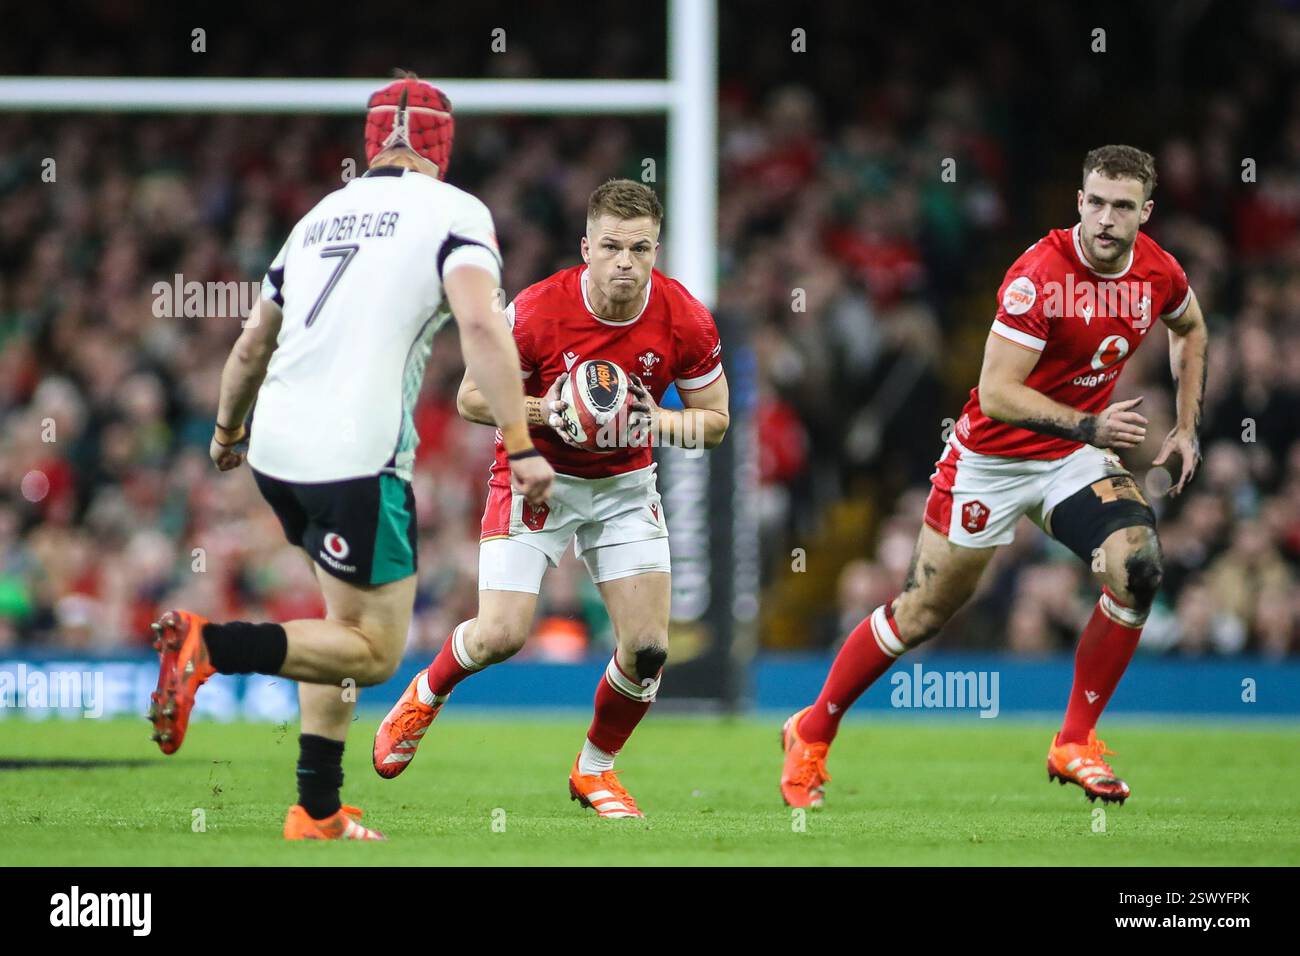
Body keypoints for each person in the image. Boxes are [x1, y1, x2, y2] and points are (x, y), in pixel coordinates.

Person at [146, 73, 553, 840]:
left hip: (276, 448)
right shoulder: (456, 212)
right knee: (372, 652)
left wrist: (228, 432)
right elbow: (481, 327)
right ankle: (210, 647)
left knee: (339, 623)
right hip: (358, 454)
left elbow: (250, 344)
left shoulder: (316, 218)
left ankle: (318, 809)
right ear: (443, 142)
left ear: (371, 143)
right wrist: (522, 443)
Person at [780, 145, 1209, 807]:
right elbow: (998, 392)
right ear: (1079, 202)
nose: (1104, 218)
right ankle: (811, 730)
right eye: (1094, 202)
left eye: (1122, 206)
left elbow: (1191, 327)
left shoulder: (1158, 271)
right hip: (993, 460)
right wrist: (1092, 427)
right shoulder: (1037, 275)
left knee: (1139, 565)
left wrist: (1186, 425)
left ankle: (1074, 742)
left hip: (1070, 458)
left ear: (1144, 213)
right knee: (922, 614)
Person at [372, 179, 730, 819]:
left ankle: (595, 771)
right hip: (539, 479)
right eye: (613, 246)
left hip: (623, 488)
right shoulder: (538, 311)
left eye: (641, 248)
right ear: (586, 246)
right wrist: (549, 410)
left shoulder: (685, 317)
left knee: (648, 649)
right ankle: (426, 692)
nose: (626, 261)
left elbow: (716, 420)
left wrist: (658, 423)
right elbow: (470, 399)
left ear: (656, 250)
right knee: (500, 637)